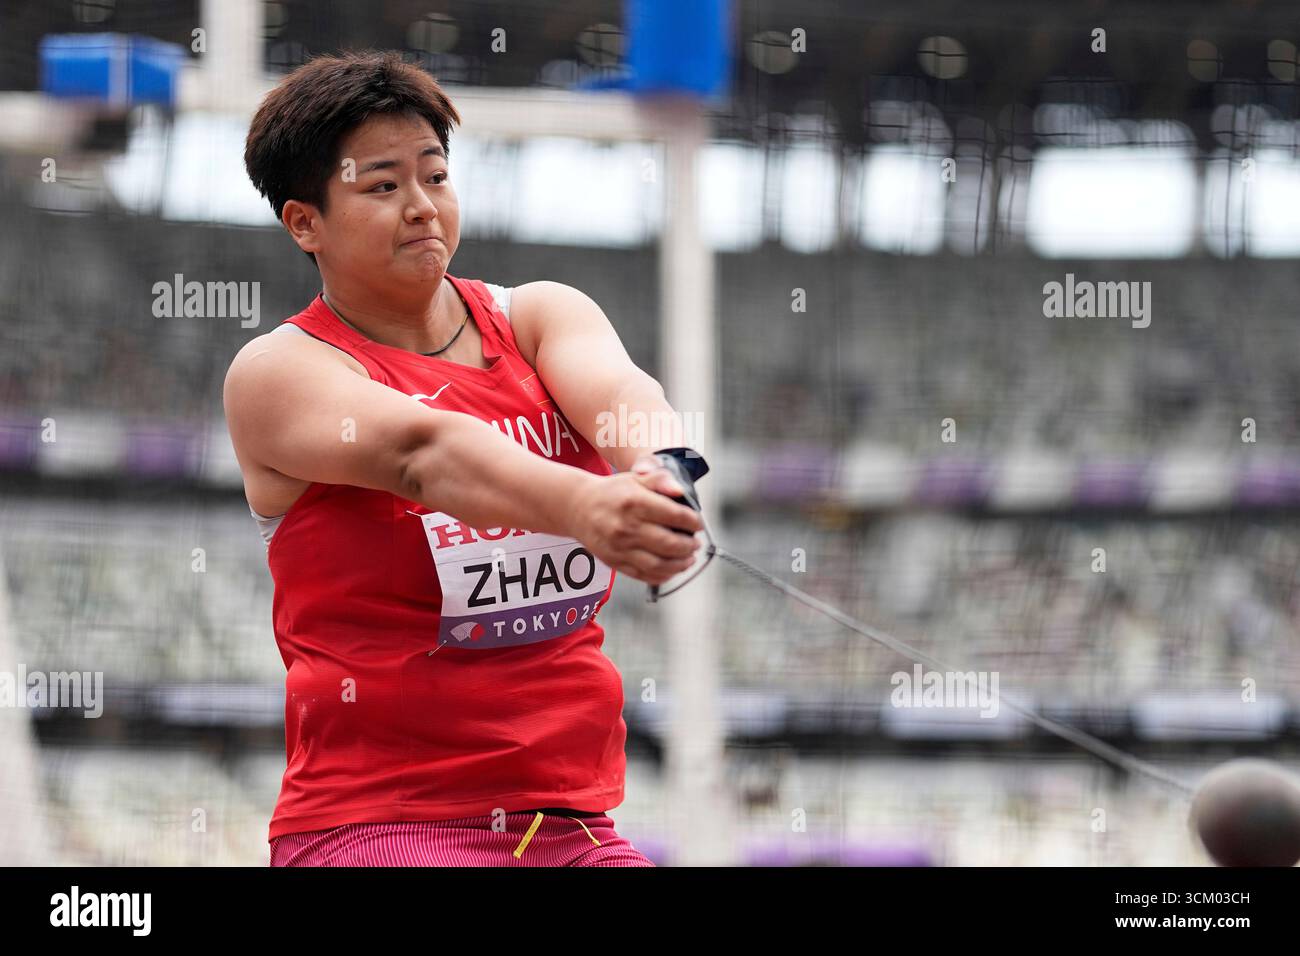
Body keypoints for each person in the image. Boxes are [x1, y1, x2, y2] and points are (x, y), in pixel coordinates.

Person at [224, 50, 705, 866]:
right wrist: (586, 506)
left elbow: (626, 397)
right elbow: (425, 453)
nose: (421, 207)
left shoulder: (541, 318)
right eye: (382, 187)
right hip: (377, 825)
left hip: (571, 826)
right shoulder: (278, 374)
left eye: (435, 177)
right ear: (305, 222)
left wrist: (662, 473)